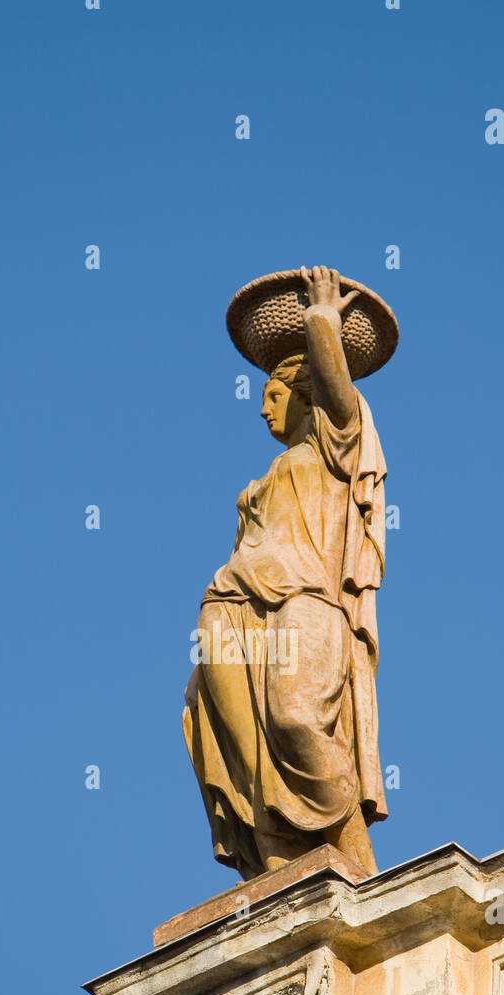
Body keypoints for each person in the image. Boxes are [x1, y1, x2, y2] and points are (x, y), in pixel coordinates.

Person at [184, 266, 388, 879]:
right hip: (231, 604)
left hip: (307, 600)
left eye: (271, 396)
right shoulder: (270, 473)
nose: (262, 411)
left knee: (296, 720)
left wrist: (322, 319)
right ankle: (278, 868)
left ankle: (359, 864)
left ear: (304, 394)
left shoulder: (337, 448)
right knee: (240, 748)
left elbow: (340, 393)